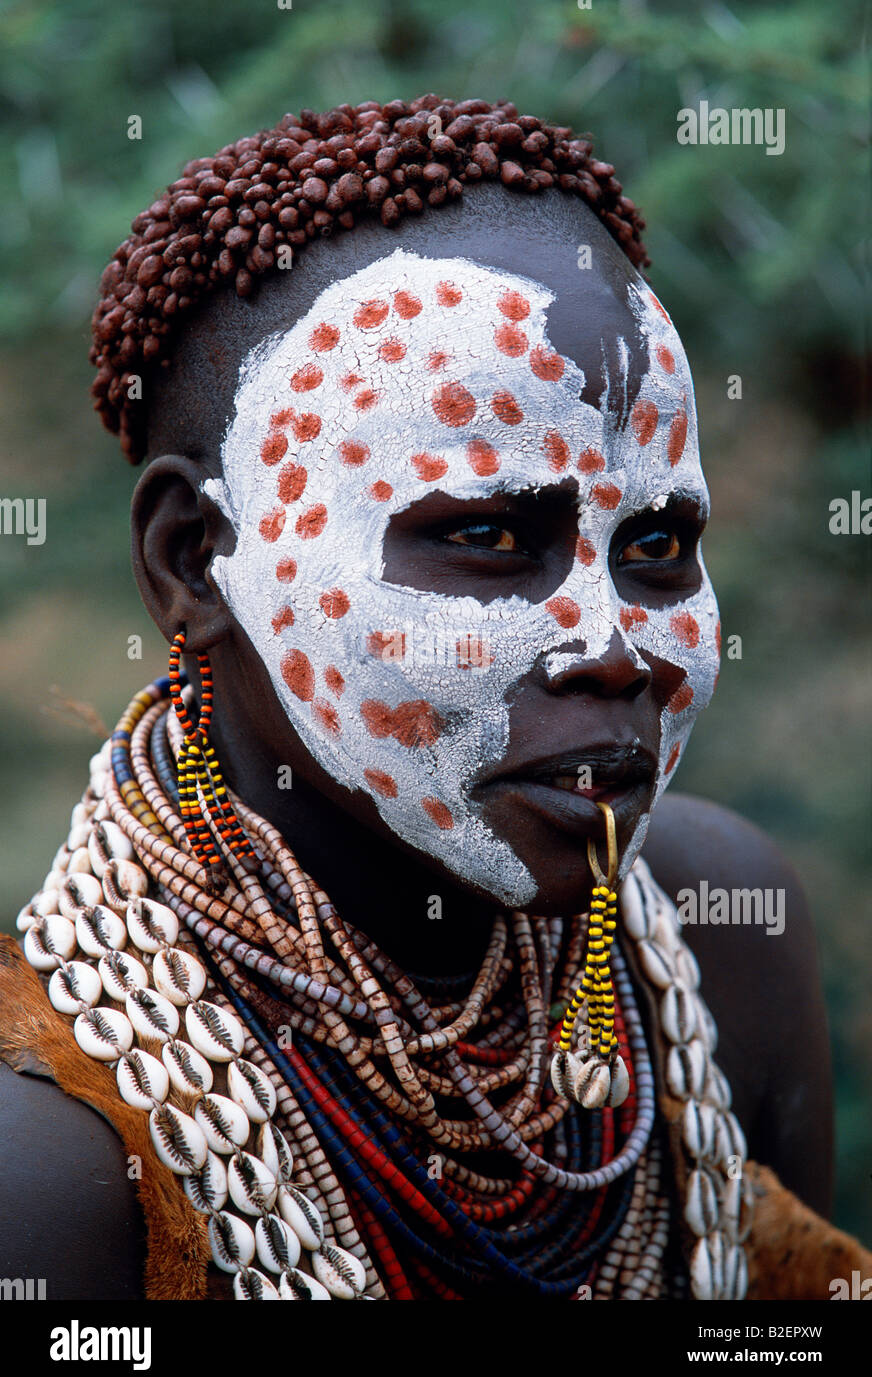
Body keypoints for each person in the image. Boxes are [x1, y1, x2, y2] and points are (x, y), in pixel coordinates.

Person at [1, 94, 869, 1301]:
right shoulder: (57, 1171)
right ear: (195, 564)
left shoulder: (718, 941)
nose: (614, 646)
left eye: (658, 544)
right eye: (487, 533)